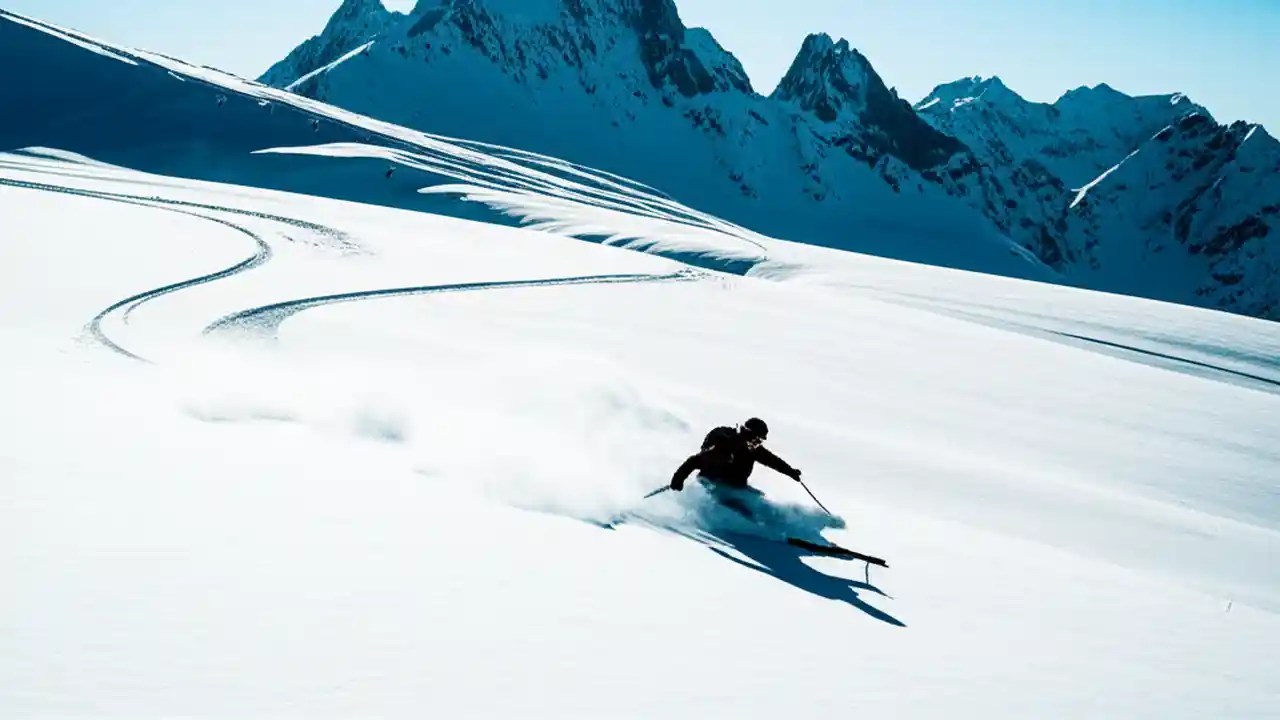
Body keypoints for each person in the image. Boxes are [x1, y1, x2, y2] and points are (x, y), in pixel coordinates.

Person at [670, 417, 802, 492]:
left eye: (760, 441)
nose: (757, 444)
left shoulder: (753, 449)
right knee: (737, 508)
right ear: (747, 434)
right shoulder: (724, 444)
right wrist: (678, 480)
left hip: (736, 487)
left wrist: (791, 472)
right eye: (757, 439)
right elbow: (694, 461)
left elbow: (773, 461)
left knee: (754, 503)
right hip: (713, 487)